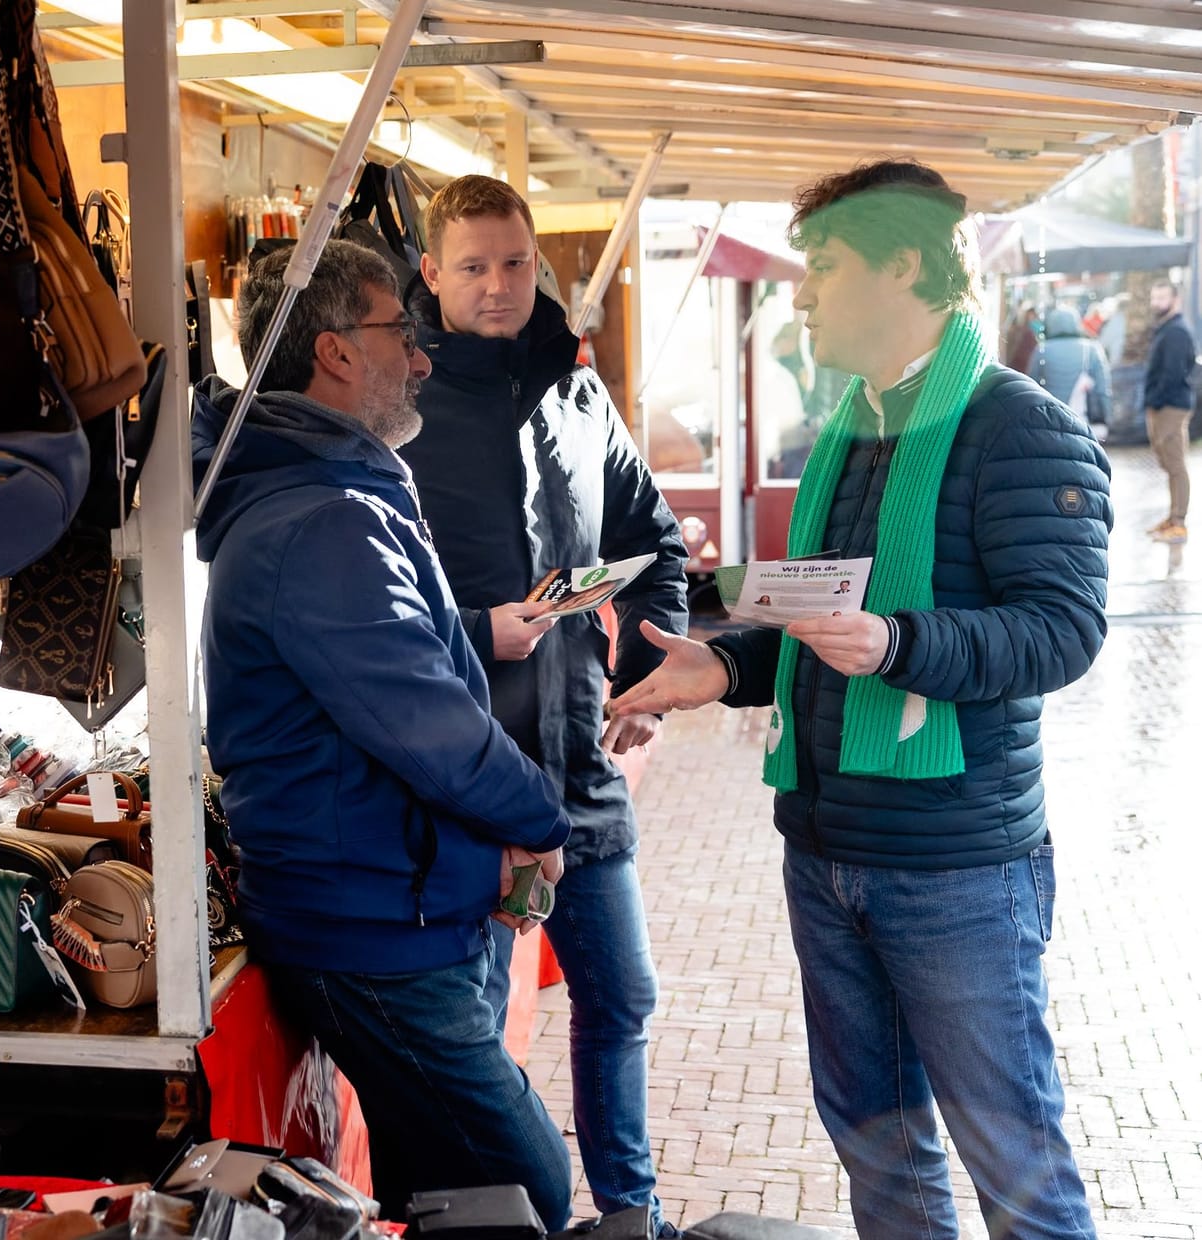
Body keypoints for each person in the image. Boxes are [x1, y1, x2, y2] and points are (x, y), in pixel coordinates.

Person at [609, 159, 1109, 1240]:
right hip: (826, 848)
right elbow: (818, 616)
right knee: (877, 1145)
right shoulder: (851, 430)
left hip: (958, 866)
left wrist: (898, 643)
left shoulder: (1017, 428)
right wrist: (729, 665)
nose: (801, 292)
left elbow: (1064, 630)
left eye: (823, 267)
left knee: (1012, 1154)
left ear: (903, 268)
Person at [193, 239, 574, 1230]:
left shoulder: (335, 500)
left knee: (447, 1189)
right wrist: (539, 813)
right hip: (370, 930)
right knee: (523, 1185)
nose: (419, 355)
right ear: (332, 352)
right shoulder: (322, 522)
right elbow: (430, 725)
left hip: (389, 909)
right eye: (397, 331)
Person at [397, 175, 689, 1234]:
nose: (496, 285)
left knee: (622, 1001)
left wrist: (649, 674)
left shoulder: (578, 391)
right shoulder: (400, 407)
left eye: (513, 263)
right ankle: (492, 1217)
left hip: (578, 765)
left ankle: (630, 1213)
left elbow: (655, 539)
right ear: (430, 274)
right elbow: (370, 615)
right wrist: (479, 630)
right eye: (472, 266)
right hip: (466, 779)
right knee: (475, 1035)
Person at [1145, 277, 1196, 544]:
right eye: (1154, 298)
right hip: (1161, 404)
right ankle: (1172, 517)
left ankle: (1179, 522)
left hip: (1171, 405)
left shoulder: (1176, 331)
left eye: (1162, 298)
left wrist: (1156, 399)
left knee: (1176, 464)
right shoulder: (1165, 328)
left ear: (1175, 300)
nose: (1157, 303)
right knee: (1167, 462)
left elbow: (1172, 372)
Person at [1033, 306, 1112, 443]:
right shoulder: (1091, 349)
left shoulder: (1041, 350)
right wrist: (1107, 416)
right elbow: (1102, 389)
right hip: (1083, 422)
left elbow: (1031, 384)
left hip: (1049, 421)